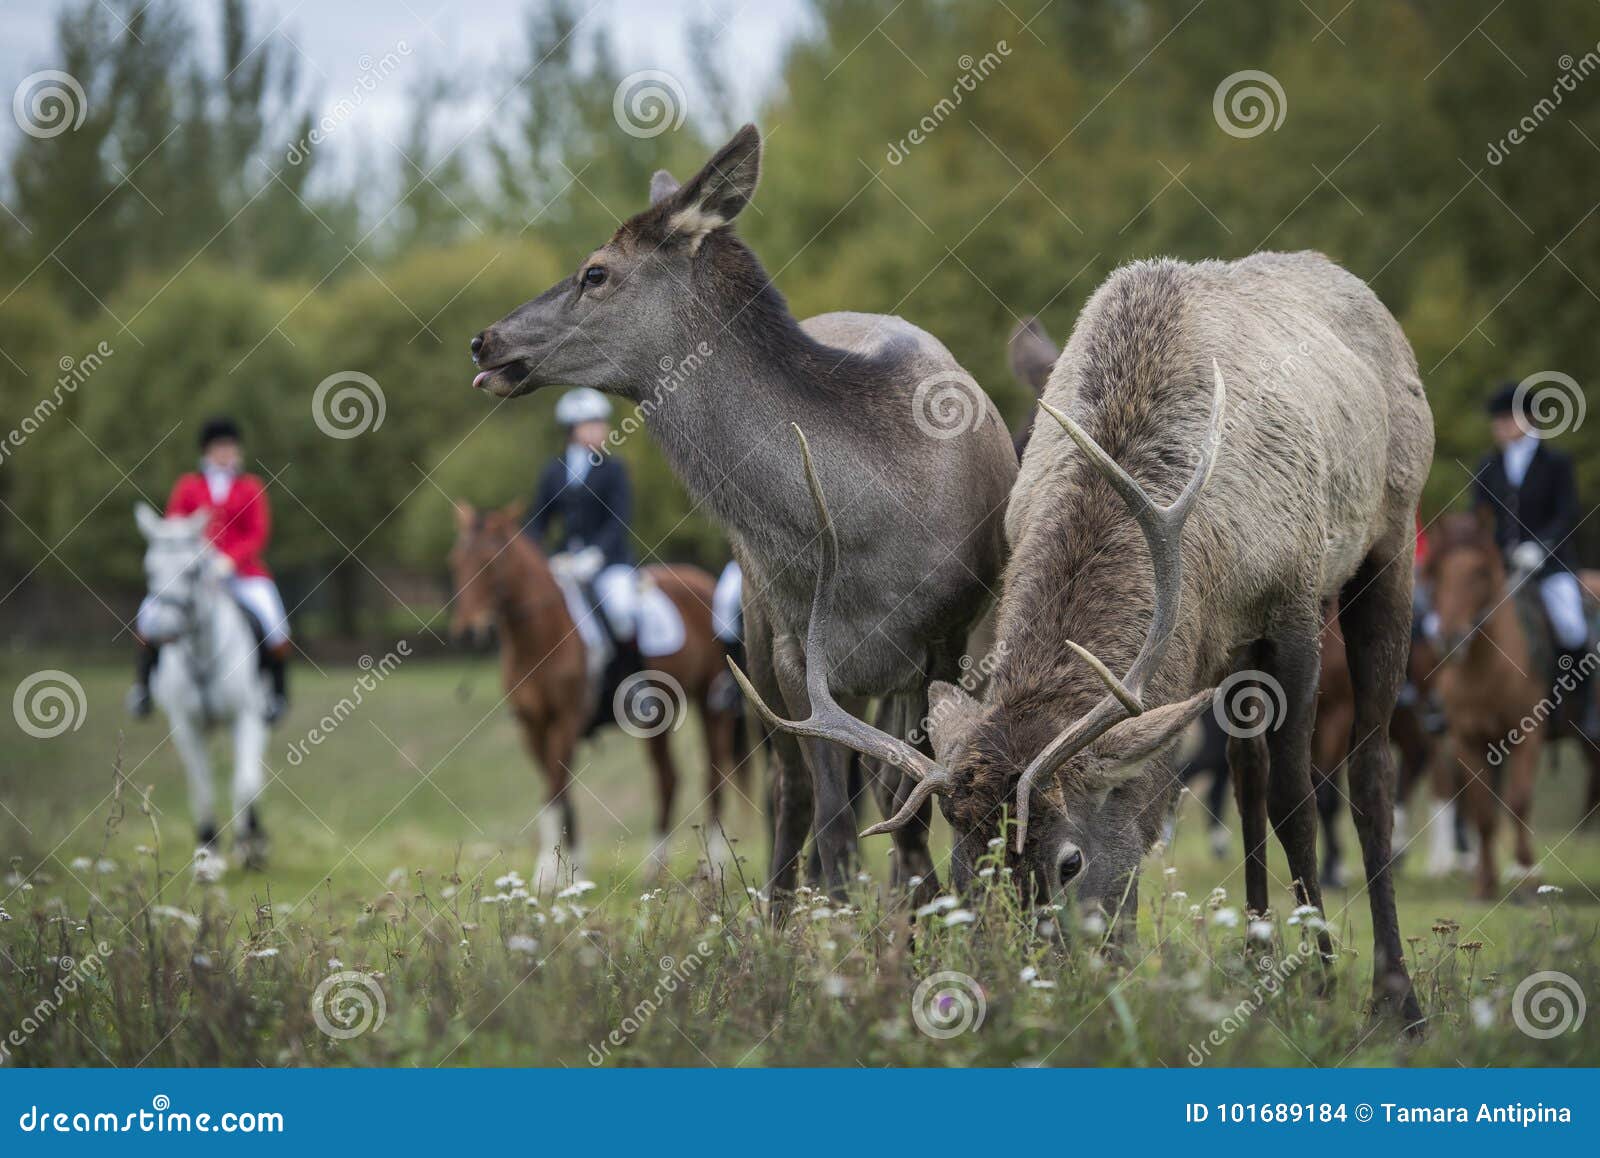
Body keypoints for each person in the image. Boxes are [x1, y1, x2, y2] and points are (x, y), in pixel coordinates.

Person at [129, 416, 291, 723]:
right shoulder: (188, 486)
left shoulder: (250, 487)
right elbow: (174, 528)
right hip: (193, 576)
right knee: (149, 615)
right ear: (207, 450)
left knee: (275, 622)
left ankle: (276, 696)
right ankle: (143, 687)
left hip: (243, 573)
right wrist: (199, 561)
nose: (226, 452)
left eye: (230, 446)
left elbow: (257, 533)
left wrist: (229, 561)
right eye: (220, 446)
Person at [1473, 381, 1598, 737]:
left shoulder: (1556, 463)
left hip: (1550, 567)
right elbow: (1479, 516)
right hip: (1502, 570)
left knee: (1570, 624)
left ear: (1527, 420)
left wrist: (1541, 548)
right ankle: (1444, 704)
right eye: (1496, 421)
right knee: (1449, 620)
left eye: (1504, 419)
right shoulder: (1489, 465)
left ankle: (1582, 706)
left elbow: (1568, 514)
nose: (1498, 427)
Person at [525, 388, 640, 707]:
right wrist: (546, 560)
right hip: (565, 565)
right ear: (573, 429)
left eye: (601, 423)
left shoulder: (614, 469)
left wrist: (596, 555)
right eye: (591, 424)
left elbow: (620, 520)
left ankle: (636, 684)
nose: (599, 430)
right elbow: (536, 522)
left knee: (622, 612)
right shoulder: (554, 471)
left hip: (609, 562)